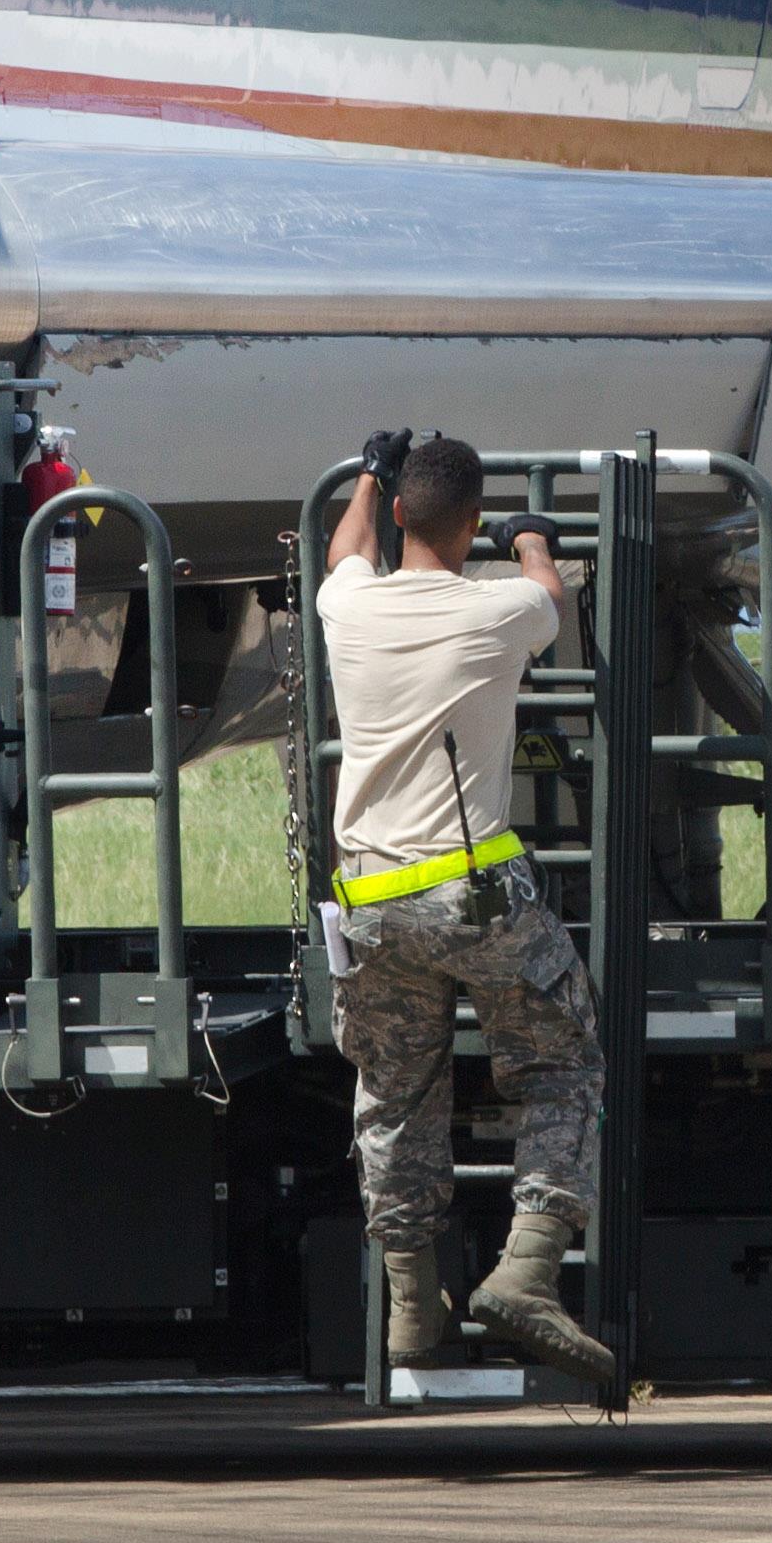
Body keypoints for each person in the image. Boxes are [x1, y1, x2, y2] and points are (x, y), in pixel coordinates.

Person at [316, 430, 618, 1384]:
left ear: (399, 511)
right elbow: (552, 596)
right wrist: (531, 537)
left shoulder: (347, 604)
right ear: (474, 524)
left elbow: (342, 551)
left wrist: (368, 473)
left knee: (395, 1097)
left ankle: (412, 1315)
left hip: (367, 902)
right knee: (562, 1059)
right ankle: (526, 1272)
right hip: (472, 896)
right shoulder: (500, 609)